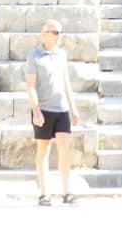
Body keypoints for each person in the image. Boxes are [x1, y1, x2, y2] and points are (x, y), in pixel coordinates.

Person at [26, 20, 81, 205]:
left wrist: (73, 109)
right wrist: (36, 110)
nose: (59, 36)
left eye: (60, 32)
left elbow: (66, 82)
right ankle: (44, 193)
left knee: (65, 148)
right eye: (55, 32)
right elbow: (31, 86)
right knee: (43, 149)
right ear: (45, 33)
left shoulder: (62, 55)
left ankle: (67, 192)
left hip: (62, 108)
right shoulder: (34, 56)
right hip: (44, 109)